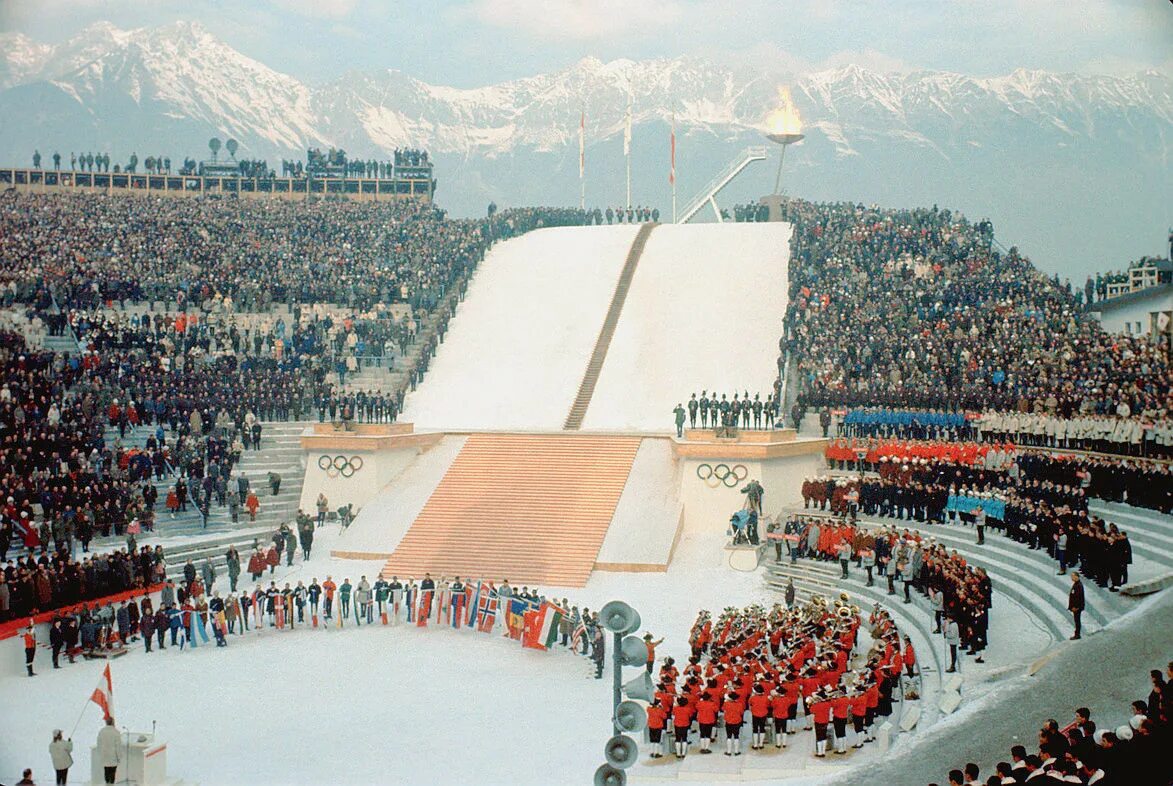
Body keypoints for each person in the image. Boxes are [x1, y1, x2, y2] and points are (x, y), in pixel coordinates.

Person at [96, 717, 122, 784]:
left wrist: (100, 754)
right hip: (113, 757)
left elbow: (99, 745)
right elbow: (118, 747)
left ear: (106, 722)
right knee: (112, 774)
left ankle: (107, 783)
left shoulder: (101, 732)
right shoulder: (116, 732)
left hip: (104, 756)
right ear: (113, 722)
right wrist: (119, 757)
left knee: (106, 772)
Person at [1068, 571, 1085, 640]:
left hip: (1077, 607)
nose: (1071, 578)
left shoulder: (1079, 586)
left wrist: (1076, 607)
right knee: (1076, 620)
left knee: (1077, 621)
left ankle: (1077, 634)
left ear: (1077, 576)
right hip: (1075, 607)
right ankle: (1077, 634)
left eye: (1073, 576)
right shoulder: (1076, 584)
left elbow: (1079, 598)